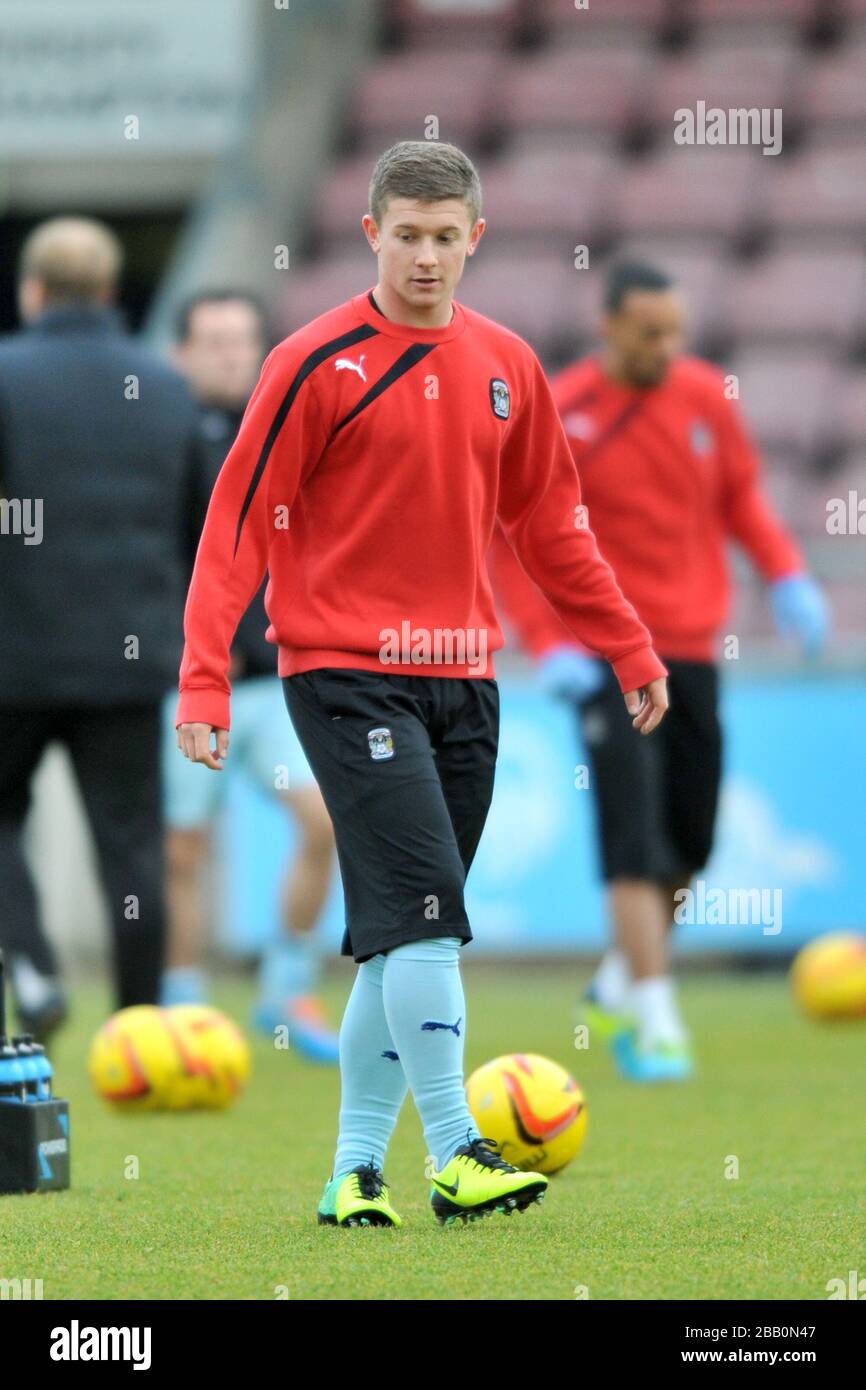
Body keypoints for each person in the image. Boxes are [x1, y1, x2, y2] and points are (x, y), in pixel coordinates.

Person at [175, 142, 668, 1229]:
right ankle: (454, 1148)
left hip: (465, 681)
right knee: (432, 922)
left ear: (474, 239)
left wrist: (627, 644)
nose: (427, 257)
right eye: (407, 235)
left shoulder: (509, 366)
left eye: (447, 237)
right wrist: (204, 680)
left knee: (401, 936)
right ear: (371, 234)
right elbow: (236, 525)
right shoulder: (313, 361)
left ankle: (353, 1173)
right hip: (344, 677)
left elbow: (553, 527)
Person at [489, 260, 829, 1084]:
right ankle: (656, 1012)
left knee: (692, 843)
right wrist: (550, 640)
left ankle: (614, 983)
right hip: (607, 654)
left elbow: (741, 497)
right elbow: (513, 535)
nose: (666, 347)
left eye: (675, 332)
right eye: (651, 333)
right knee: (634, 837)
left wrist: (786, 573)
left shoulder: (707, 395)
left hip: (693, 650)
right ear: (608, 325)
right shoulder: (564, 413)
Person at [0, 216, 201, 1037]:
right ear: (112, 293)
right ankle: (142, 1027)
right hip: (131, 657)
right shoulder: (165, 385)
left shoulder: (5, 376)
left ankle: (31, 965)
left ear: (32, 292)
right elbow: (196, 528)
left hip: (14, 656)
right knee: (130, 847)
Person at [162, 290, 338, 1062]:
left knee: (323, 822)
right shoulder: (157, 438)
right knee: (180, 851)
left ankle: (285, 990)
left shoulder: (288, 428)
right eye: (215, 340)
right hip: (184, 683)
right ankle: (182, 1008)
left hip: (272, 682)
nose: (232, 353)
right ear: (182, 353)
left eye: (244, 339)